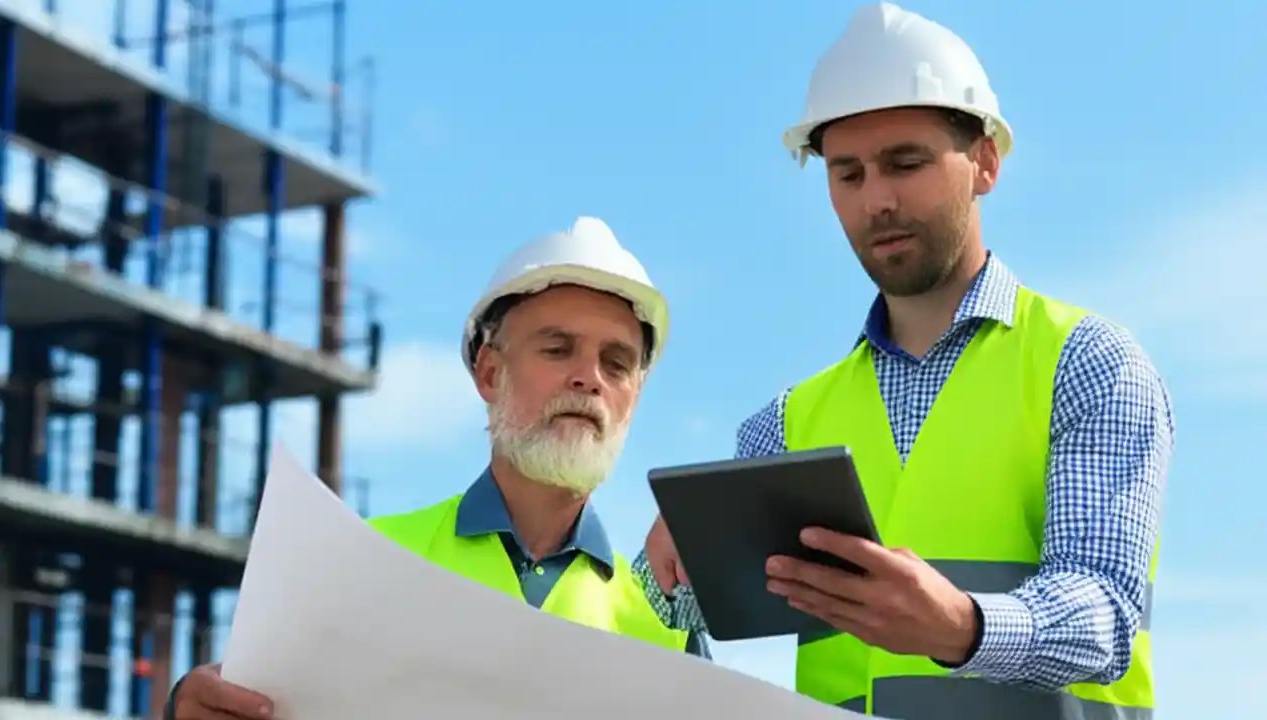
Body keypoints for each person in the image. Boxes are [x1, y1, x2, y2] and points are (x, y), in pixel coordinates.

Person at [636, 4, 1174, 718]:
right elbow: (669, 630)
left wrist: (963, 627)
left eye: (905, 163)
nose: (877, 201)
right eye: (847, 174)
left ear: (985, 161)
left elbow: (1107, 614)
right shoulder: (783, 425)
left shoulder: (1088, 364)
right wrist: (669, 569)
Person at [165, 216, 706, 720]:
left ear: (633, 398)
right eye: (557, 349)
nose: (589, 378)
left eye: (616, 364)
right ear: (490, 373)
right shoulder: (361, 563)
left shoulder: (663, 629)